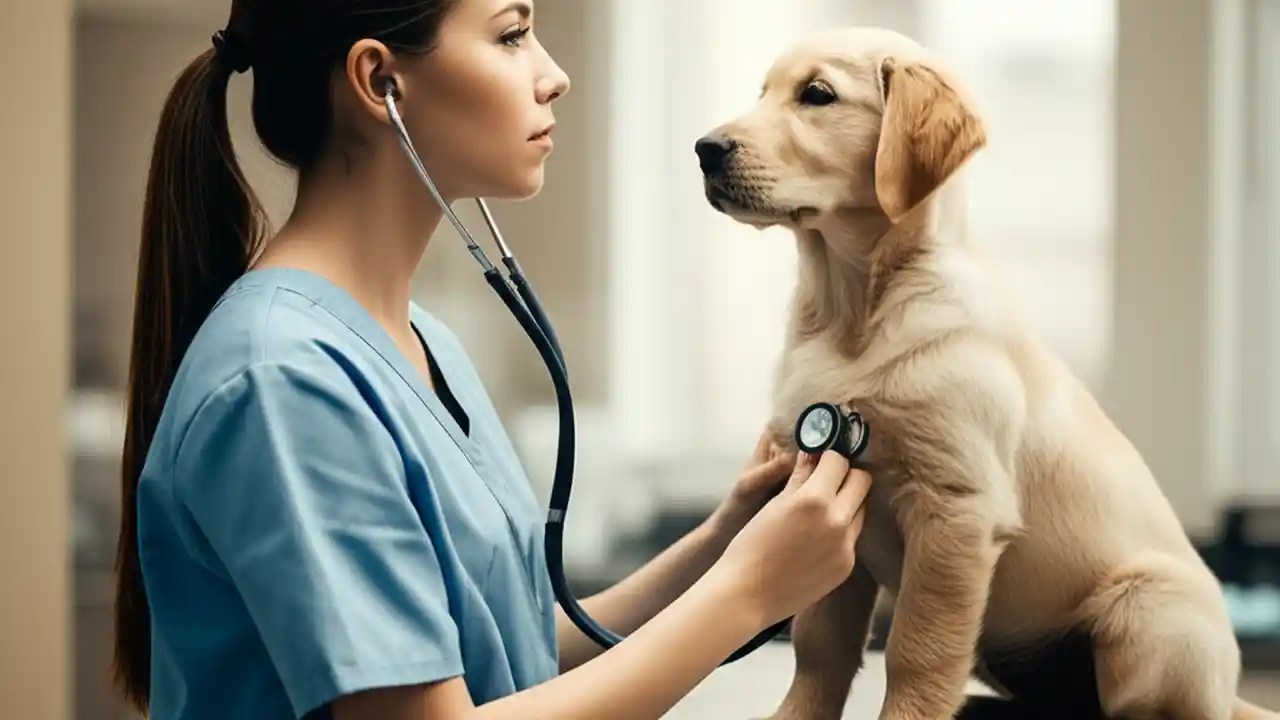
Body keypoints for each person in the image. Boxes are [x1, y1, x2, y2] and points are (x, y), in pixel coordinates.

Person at [112, 1, 874, 718]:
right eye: (512, 35)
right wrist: (748, 592)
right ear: (381, 83)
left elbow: (513, 653)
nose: (554, 73)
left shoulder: (421, 342)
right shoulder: (282, 384)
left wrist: (725, 542)